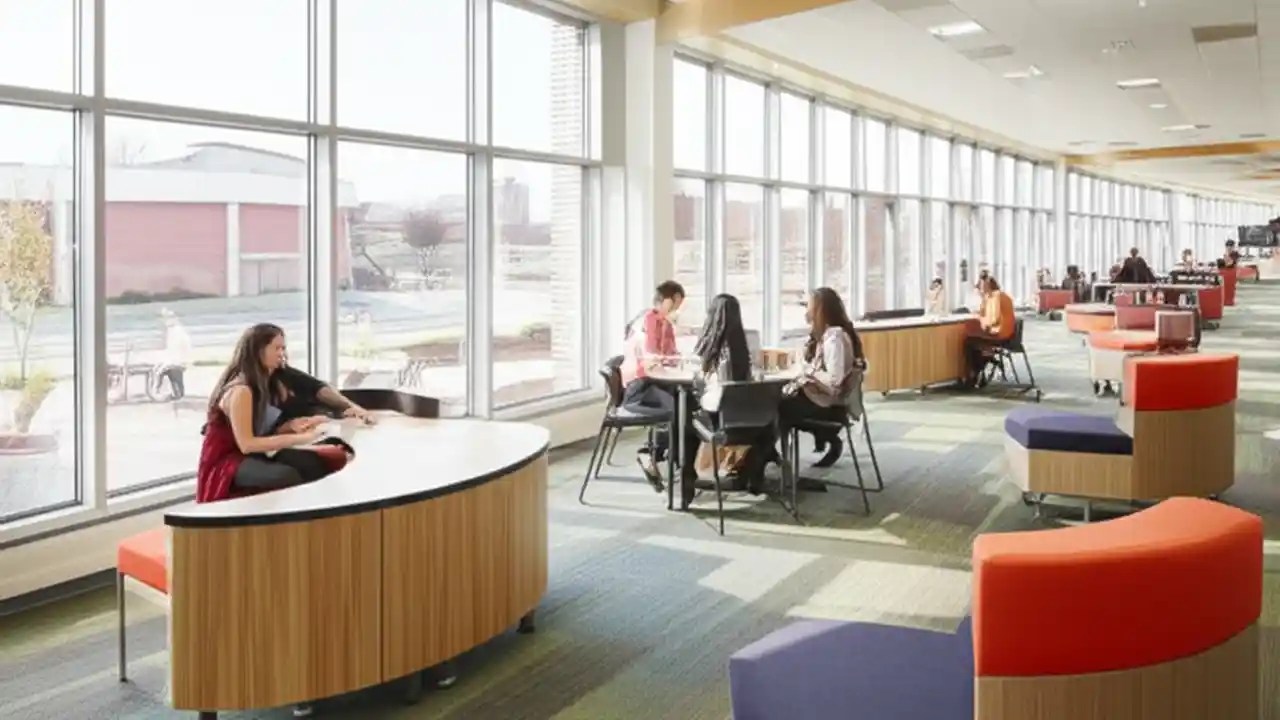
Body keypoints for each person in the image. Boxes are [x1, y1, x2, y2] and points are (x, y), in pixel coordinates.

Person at [196, 323, 355, 504]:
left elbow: (261, 432)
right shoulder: (241, 390)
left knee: (313, 464)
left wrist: (290, 427)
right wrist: (301, 439)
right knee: (287, 475)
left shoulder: (267, 383)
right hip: (226, 461)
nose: (282, 354)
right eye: (277, 348)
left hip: (248, 453)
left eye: (283, 348)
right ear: (258, 351)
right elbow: (247, 444)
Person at [679, 293, 758, 506]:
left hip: (719, 424)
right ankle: (752, 473)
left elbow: (700, 383)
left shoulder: (709, 350)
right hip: (748, 424)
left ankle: (686, 479)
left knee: (685, 421)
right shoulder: (743, 348)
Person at [780, 287, 866, 469]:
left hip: (830, 406)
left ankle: (774, 463)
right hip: (828, 402)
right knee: (780, 406)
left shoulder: (834, 338)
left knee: (778, 409)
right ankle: (773, 461)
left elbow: (835, 379)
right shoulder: (828, 336)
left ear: (820, 310)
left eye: (810, 306)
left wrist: (809, 373)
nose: (806, 311)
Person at [621, 280, 685, 490]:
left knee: (686, 402)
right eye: (676, 303)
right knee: (677, 408)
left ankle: (675, 460)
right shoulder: (649, 321)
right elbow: (653, 356)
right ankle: (653, 455)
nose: (677, 308)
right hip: (639, 386)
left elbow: (671, 354)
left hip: (654, 380)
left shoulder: (664, 323)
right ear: (667, 300)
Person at [964, 276, 1015, 388]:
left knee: (970, 342)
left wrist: (982, 322)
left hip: (999, 333)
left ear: (987, 287)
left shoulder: (996, 297)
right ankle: (981, 369)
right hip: (1003, 332)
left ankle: (975, 373)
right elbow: (984, 314)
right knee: (975, 341)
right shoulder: (996, 296)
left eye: (981, 287)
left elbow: (994, 319)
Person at [156, 308, 191, 400]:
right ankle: (172, 392)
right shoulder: (176, 330)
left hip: (177, 362)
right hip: (179, 361)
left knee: (160, 372)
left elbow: (175, 350)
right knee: (163, 371)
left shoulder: (176, 331)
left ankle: (157, 391)